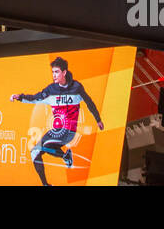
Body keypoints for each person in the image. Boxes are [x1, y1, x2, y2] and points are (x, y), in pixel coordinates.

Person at [9, 56, 102, 186]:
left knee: (44, 146)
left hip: (69, 131)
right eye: (53, 72)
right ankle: (47, 183)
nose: (54, 75)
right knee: (35, 152)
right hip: (56, 131)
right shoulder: (51, 89)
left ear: (64, 72)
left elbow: (89, 102)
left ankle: (65, 157)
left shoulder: (76, 87)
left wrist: (98, 119)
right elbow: (35, 98)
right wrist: (20, 97)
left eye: (57, 72)